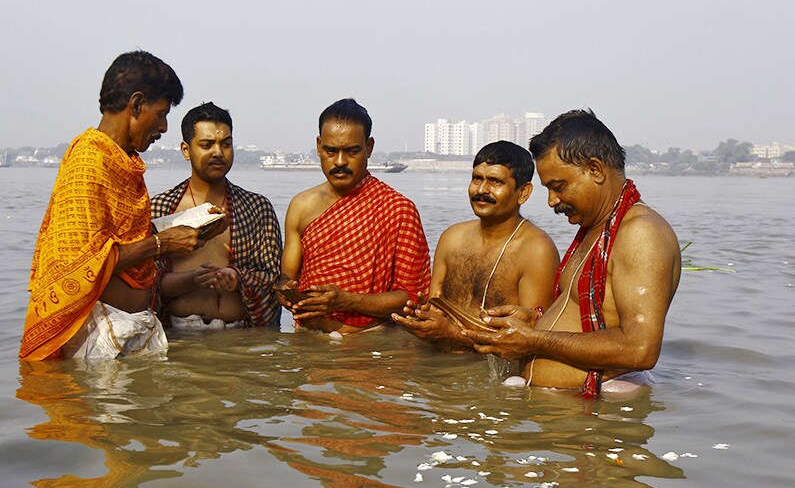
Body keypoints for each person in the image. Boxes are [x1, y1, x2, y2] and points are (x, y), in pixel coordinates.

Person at [463, 109, 681, 397]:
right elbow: (582, 316)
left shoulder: (641, 233)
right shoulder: (596, 230)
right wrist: (532, 319)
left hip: (602, 417)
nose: (553, 201)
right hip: (564, 412)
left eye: (559, 186)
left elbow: (640, 349)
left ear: (595, 170)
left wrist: (536, 341)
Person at [19, 51, 209, 361]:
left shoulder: (123, 164)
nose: (163, 127)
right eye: (161, 113)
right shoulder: (88, 162)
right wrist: (162, 243)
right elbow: (82, 264)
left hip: (128, 331)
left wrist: (190, 230)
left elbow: (122, 241)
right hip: (95, 334)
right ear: (136, 104)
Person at [278, 98, 431, 334]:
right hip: (308, 343)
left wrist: (344, 300)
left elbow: (410, 299)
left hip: (369, 344)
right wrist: (285, 291)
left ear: (369, 147)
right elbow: (287, 275)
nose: (340, 162)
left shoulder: (398, 209)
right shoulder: (301, 206)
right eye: (331, 151)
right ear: (319, 146)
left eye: (352, 151)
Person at [392, 141, 559, 352]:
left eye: (495, 181)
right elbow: (436, 307)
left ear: (523, 193)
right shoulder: (452, 237)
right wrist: (422, 316)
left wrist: (453, 334)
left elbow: (531, 338)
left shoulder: (536, 250)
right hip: (439, 360)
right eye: (476, 179)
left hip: (490, 372)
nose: (481, 190)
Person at [150, 102, 282, 330]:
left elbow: (272, 279)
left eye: (226, 144)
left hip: (237, 337)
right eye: (207, 145)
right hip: (177, 338)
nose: (218, 153)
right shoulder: (161, 209)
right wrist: (192, 280)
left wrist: (236, 278)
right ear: (186, 150)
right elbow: (144, 284)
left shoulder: (257, 208)